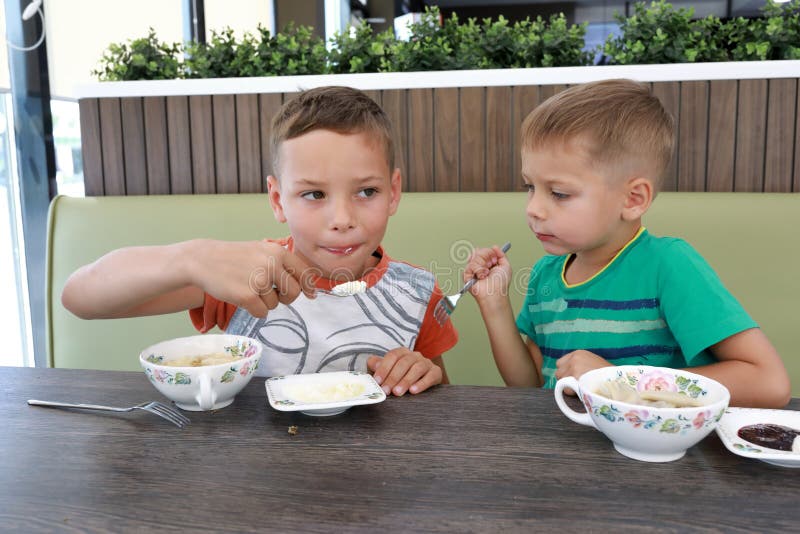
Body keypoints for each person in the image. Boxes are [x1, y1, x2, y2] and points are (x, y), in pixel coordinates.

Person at [62, 86, 458, 396]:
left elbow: (439, 390)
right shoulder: (240, 276)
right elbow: (80, 297)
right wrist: (192, 257)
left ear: (394, 191)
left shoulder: (419, 293)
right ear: (277, 199)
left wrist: (426, 375)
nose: (342, 220)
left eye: (366, 192)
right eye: (314, 194)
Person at [464, 79, 790, 408]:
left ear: (633, 199)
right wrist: (494, 305)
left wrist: (622, 382)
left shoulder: (668, 266)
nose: (533, 208)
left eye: (559, 193)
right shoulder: (544, 276)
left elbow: (769, 382)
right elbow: (530, 384)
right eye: (529, 187)